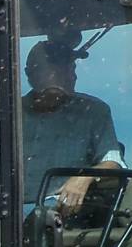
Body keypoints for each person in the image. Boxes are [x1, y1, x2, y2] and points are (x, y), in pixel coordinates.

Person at [19, 38, 123, 216]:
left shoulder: (93, 112)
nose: (71, 76)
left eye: (71, 69)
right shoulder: (9, 114)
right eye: (56, 69)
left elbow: (113, 162)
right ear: (31, 74)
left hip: (60, 211)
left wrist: (83, 178)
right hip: (4, 212)